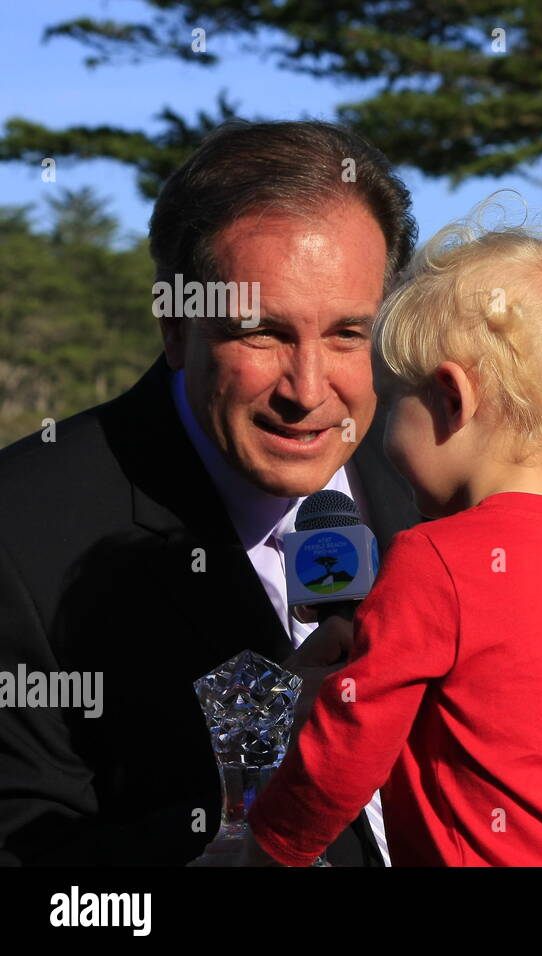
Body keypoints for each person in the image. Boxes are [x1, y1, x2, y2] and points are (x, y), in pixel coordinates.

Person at [0, 120, 421, 866]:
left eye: (349, 334)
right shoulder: (20, 529)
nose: (310, 391)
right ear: (174, 325)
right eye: (262, 333)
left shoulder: (444, 471)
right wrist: (254, 792)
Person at [230, 209, 542, 866]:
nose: (385, 429)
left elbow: (350, 746)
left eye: (398, 398)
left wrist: (267, 847)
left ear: (452, 400)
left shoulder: (435, 559)